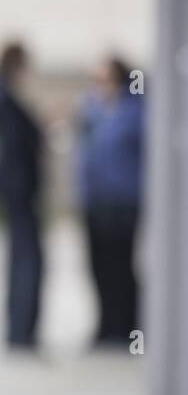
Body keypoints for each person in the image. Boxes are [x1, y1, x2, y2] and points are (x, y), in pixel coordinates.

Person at [76, 56, 144, 348]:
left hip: (125, 199)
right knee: (98, 266)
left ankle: (126, 327)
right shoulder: (91, 110)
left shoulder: (135, 111)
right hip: (96, 199)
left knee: (121, 265)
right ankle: (105, 326)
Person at [0, 42, 44, 350]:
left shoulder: (2, 94)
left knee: (23, 259)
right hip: (19, 191)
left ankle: (20, 329)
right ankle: (20, 331)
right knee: (26, 260)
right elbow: (12, 148)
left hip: (17, 189)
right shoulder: (3, 98)